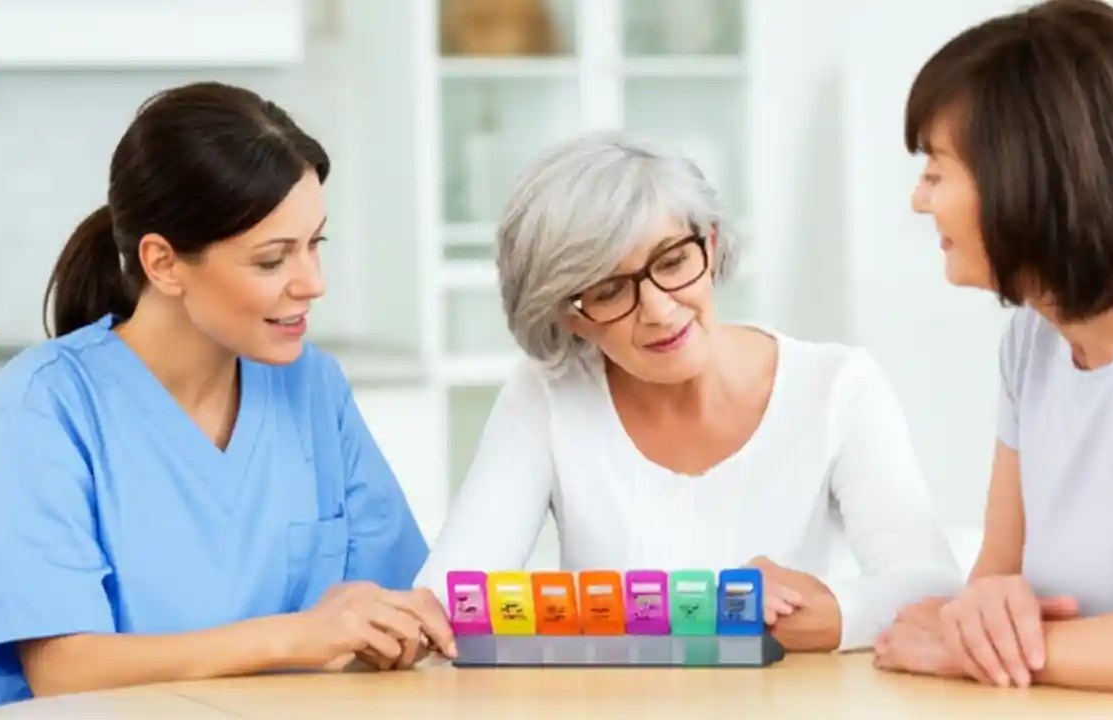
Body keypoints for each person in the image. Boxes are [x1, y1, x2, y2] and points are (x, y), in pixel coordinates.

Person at [0, 82, 452, 706]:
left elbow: (397, 602)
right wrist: (295, 637)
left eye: (315, 243)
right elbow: (66, 669)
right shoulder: (47, 404)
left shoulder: (311, 386)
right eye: (271, 260)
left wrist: (395, 624)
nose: (312, 283)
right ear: (164, 263)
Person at [409, 130, 961, 653]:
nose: (659, 309)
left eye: (672, 262)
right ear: (572, 318)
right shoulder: (546, 397)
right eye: (608, 291)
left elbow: (932, 589)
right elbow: (450, 599)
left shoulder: (838, 388)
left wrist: (833, 613)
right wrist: (715, 608)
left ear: (711, 244)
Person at [873, 0, 1113, 702]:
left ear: (1030, 175)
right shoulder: (1035, 336)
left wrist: (969, 652)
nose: (918, 200)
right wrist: (982, 623)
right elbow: (997, 577)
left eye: (936, 169)